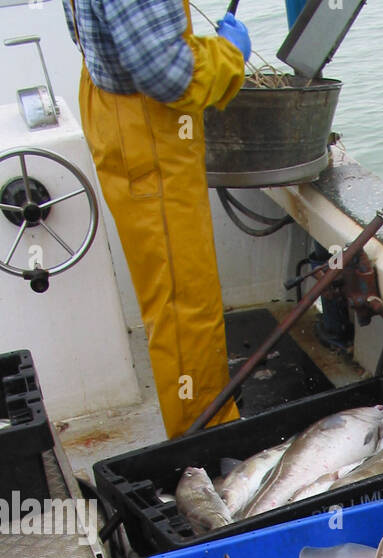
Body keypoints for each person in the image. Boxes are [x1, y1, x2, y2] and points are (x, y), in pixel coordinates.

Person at [62, 0, 252, 436]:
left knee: (165, 294)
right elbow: (170, 74)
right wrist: (228, 54)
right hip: (150, 132)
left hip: (117, 114)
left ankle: (198, 426)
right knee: (183, 304)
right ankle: (203, 445)